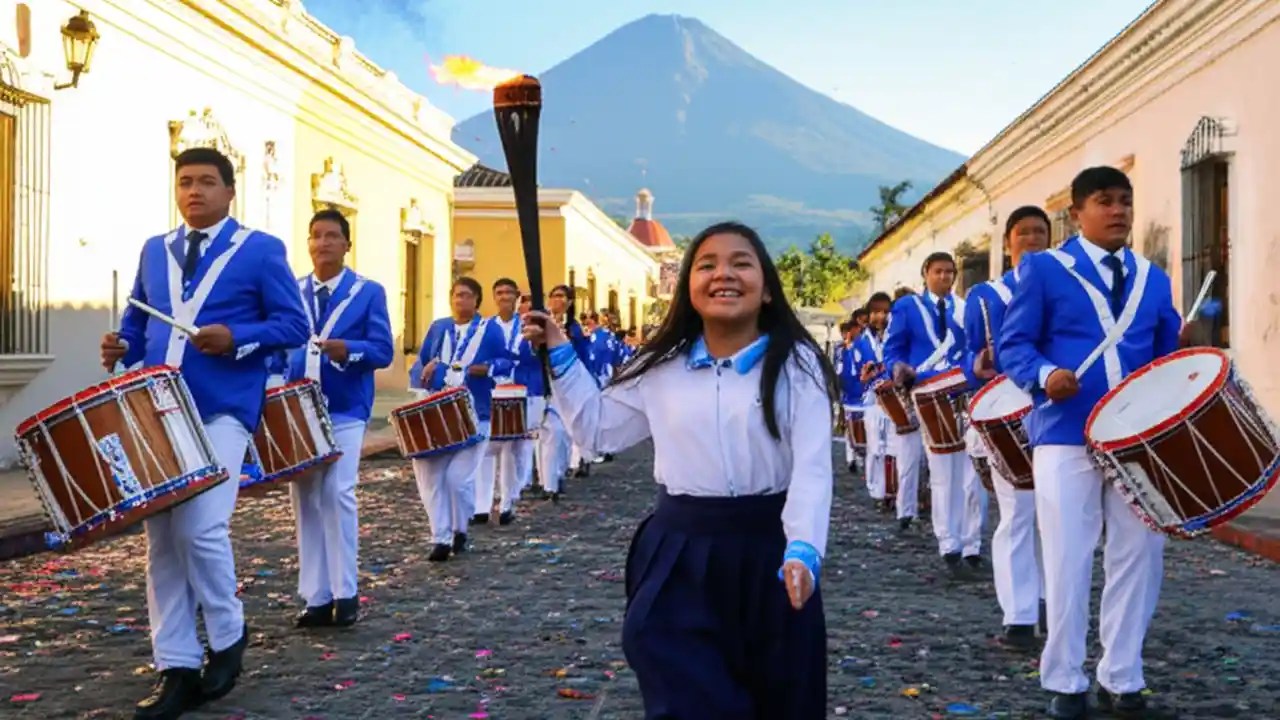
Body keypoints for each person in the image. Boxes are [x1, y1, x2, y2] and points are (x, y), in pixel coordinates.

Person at [523, 221, 837, 718]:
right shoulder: (659, 366)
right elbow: (597, 430)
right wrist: (560, 349)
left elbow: (814, 467)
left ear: (768, 289)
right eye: (706, 265)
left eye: (741, 263)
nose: (723, 275)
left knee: (780, 697)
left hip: (769, 555)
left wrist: (802, 548)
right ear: (688, 287)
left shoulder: (798, 365)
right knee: (686, 695)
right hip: (679, 553)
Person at [101, 147, 310, 720]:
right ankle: (176, 666)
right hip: (156, 411)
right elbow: (137, 320)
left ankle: (227, 631)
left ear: (229, 191)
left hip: (223, 408)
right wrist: (119, 349)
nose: (195, 191)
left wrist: (237, 338)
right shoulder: (154, 250)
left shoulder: (261, 250)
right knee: (161, 541)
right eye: (185, 182)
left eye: (207, 182)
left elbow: (294, 326)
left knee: (200, 526)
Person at [1000, 166, 1187, 720]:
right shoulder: (1044, 270)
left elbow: (1162, 357)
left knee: (1140, 553)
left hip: (1135, 438)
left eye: (1126, 201)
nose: (1119, 211)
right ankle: (1064, 677)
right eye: (1105, 201)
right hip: (1065, 432)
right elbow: (1014, 346)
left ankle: (1123, 675)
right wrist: (1043, 375)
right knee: (1067, 556)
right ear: (1076, 213)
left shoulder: (1154, 279)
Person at [283, 210, 394, 629]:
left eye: (332, 236)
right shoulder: (291, 293)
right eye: (316, 236)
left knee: (338, 492)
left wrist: (346, 349)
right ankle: (316, 595)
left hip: (346, 405)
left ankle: (346, 592)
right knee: (306, 499)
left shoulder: (367, 292)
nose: (323, 243)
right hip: (298, 407)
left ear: (347, 244)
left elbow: (382, 350)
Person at [963, 205, 1050, 651]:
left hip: (1052, 410)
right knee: (1016, 513)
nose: (1032, 239)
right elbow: (968, 354)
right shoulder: (986, 296)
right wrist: (976, 365)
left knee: (1054, 516)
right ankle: (1018, 614)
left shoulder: (1062, 285)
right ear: (1008, 243)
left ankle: (1047, 600)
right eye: (1024, 233)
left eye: (1040, 231)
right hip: (1005, 411)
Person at [884, 251, 985, 577]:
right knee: (943, 471)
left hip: (966, 392)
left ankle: (973, 543)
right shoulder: (907, 308)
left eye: (950, 272)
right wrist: (895, 367)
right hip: (929, 395)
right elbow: (893, 348)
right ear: (925, 273)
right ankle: (949, 542)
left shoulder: (966, 308)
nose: (945, 277)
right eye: (939, 271)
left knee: (975, 473)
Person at [409, 277, 511, 561]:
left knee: (457, 479)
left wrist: (486, 368)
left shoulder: (488, 329)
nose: (460, 300)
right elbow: (421, 365)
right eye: (456, 295)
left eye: (466, 295)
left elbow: (504, 362)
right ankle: (440, 538)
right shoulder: (439, 327)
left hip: (474, 413)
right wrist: (424, 369)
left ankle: (459, 528)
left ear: (476, 300)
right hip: (437, 412)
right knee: (431, 478)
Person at [475, 280, 543, 524]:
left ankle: (506, 503)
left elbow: (536, 356)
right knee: (485, 448)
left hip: (522, 389)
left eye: (508, 293)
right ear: (494, 297)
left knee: (512, 447)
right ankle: (481, 505)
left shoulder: (527, 326)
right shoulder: (484, 326)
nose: (504, 296)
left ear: (516, 297)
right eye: (499, 292)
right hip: (490, 390)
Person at [855, 292, 898, 517]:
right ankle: (876, 490)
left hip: (894, 397)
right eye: (876, 312)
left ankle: (891, 492)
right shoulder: (862, 342)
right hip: (872, 401)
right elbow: (863, 372)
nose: (881, 316)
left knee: (893, 447)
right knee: (875, 448)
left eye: (885, 311)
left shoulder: (896, 335)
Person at [835, 320, 862, 475]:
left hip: (860, 391)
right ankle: (850, 457)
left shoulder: (861, 347)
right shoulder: (840, 349)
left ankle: (858, 454)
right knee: (848, 425)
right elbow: (837, 368)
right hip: (846, 392)